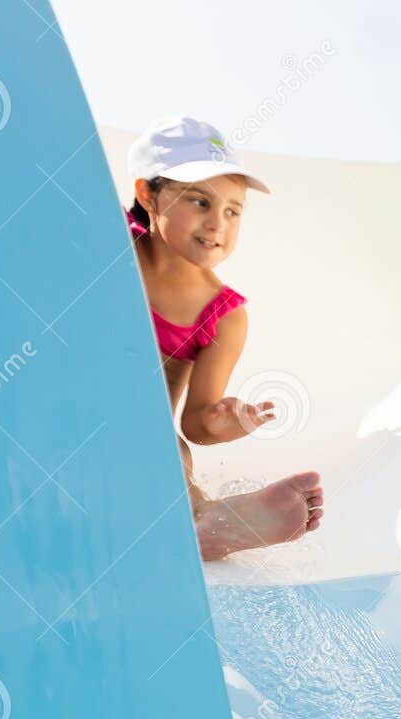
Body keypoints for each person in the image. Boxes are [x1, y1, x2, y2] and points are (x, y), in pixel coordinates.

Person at [126, 116, 324, 561]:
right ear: (147, 194)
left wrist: (222, 422)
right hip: (65, 406)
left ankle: (208, 523)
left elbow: (193, 423)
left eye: (233, 211)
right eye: (199, 201)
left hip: (139, 431)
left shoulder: (223, 315)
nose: (218, 223)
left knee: (164, 451)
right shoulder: (111, 242)